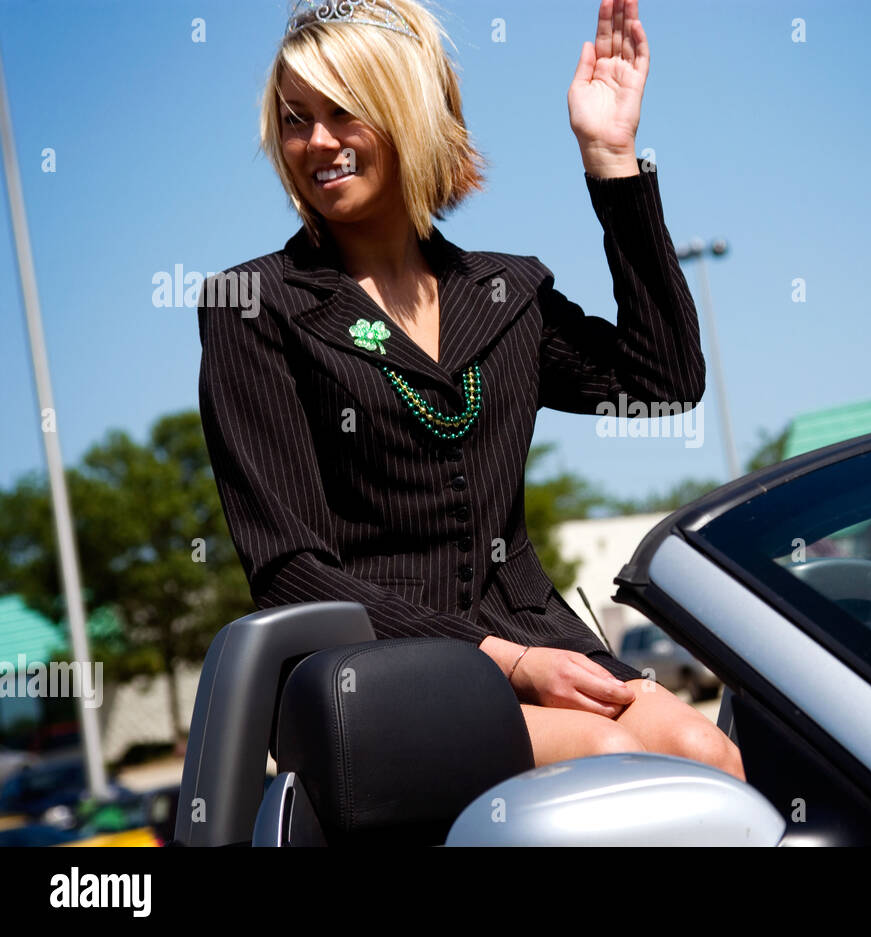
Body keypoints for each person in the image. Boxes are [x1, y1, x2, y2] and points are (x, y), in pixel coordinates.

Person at [196, 0, 743, 781]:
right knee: (614, 763)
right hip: (373, 673)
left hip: (542, 642)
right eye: (294, 119)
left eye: (342, 111)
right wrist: (507, 663)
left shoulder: (503, 292)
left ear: (407, 112)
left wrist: (610, 156)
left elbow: (660, 383)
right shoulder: (253, 305)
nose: (316, 142)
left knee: (706, 753)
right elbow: (289, 568)